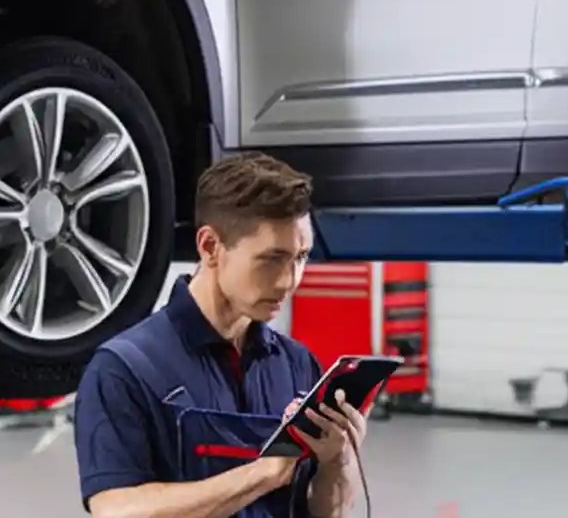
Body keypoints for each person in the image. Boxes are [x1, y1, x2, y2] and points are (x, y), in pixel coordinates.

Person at [74, 152, 367, 517]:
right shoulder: (124, 368)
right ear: (210, 246)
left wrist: (337, 462)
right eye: (272, 258)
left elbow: (324, 513)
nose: (289, 281)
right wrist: (263, 474)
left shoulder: (296, 364)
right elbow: (116, 510)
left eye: (301, 257)